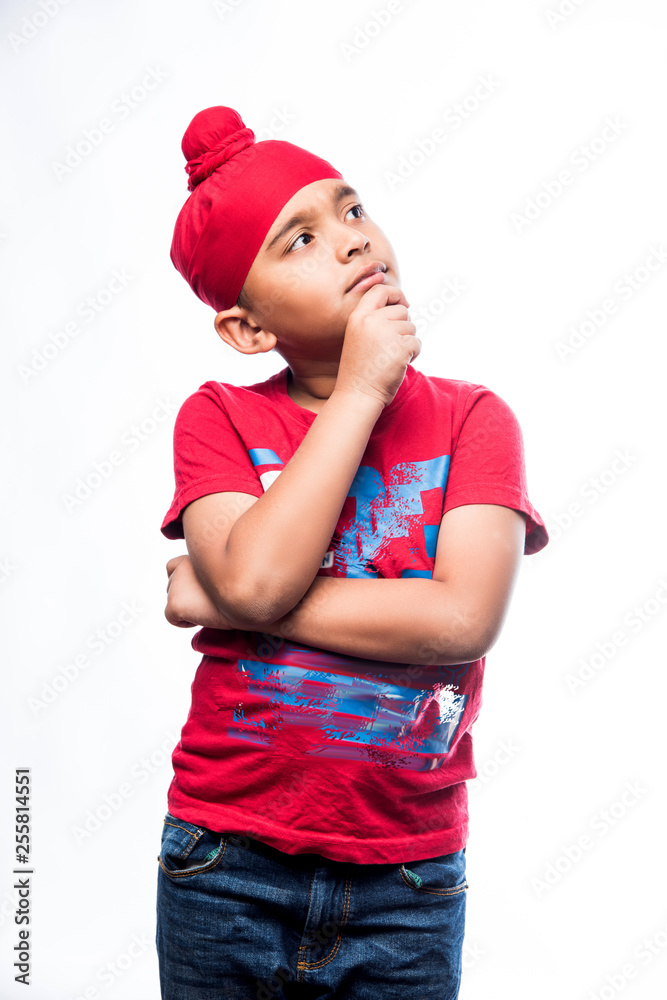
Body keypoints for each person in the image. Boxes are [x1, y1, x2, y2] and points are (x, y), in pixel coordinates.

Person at [155, 105, 548, 1000]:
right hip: (224, 862)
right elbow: (256, 574)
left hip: (404, 880)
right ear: (249, 329)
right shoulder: (218, 418)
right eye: (297, 239)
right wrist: (361, 388)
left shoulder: (473, 420)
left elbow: (458, 620)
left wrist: (219, 597)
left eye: (352, 210)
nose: (348, 242)